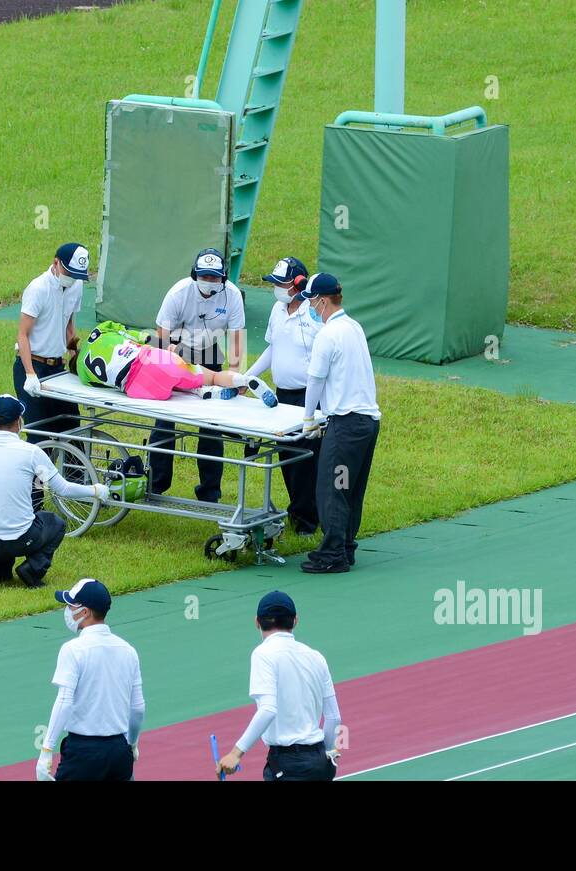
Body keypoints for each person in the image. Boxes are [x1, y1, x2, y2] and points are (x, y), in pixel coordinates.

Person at [0, 395, 108, 589]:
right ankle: (31, 569)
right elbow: (63, 489)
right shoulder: (31, 452)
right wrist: (95, 490)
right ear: (18, 421)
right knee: (54, 523)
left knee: (2, 565)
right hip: (22, 539)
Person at [297, 273, 381, 574]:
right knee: (350, 489)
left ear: (321, 300)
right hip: (366, 424)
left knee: (332, 489)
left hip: (346, 426)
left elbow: (315, 381)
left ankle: (332, 553)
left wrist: (308, 419)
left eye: (310, 301)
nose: (309, 307)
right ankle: (345, 547)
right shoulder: (353, 327)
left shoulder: (328, 335)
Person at [149, 248, 247, 503]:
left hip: (210, 351)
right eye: (205, 276)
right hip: (175, 352)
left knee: (211, 424)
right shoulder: (179, 293)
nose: (210, 282)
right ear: (195, 275)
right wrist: (167, 364)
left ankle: (210, 491)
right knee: (164, 419)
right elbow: (160, 335)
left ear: (223, 278)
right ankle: (156, 484)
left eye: (215, 278)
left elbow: (237, 338)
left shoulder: (233, 296)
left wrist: (235, 376)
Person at [216, 591, 342, 782]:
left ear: (257, 622)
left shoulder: (263, 654)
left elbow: (267, 709)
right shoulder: (316, 657)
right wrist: (328, 751)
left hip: (288, 766)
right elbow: (334, 717)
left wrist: (235, 753)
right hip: (320, 763)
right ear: (295, 620)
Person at [37, 578, 145, 782]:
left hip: (83, 752)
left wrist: (46, 749)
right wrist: (131, 744)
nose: (67, 611)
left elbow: (64, 701)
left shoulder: (73, 650)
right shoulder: (128, 651)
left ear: (84, 611)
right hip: (119, 752)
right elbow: (138, 707)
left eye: (70, 605)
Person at [246, 257, 321, 535]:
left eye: (283, 283)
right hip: (283, 395)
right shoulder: (278, 309)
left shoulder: (314, 314)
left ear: (300, 283)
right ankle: (300, 512)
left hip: (309, 397)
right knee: (287, 458)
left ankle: (307, 520)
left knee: (305, 460)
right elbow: (272, 349)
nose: (277, 288)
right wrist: (248, 378)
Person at [15, 243, 90, 505]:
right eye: (68, 273)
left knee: (70, 425)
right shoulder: (38, 288)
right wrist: (29, 373)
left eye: (77, 276)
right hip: (34, 364)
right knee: (39, 434)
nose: (72, 280)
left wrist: (73, 349)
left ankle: (77, 491)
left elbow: (69, 321)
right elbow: (22, 335)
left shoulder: (76, 285)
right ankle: (35, 499)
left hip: (57, 366)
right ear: (56, 263)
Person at [73, 320, 277, 404]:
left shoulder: (84, 374)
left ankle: (202, 392)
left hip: (138, 389)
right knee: (212, 375)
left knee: (171, 387)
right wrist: (171, 349)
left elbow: (106, 387)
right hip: (153, 360)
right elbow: (142, 337)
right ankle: (244, 379)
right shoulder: (101, 329)